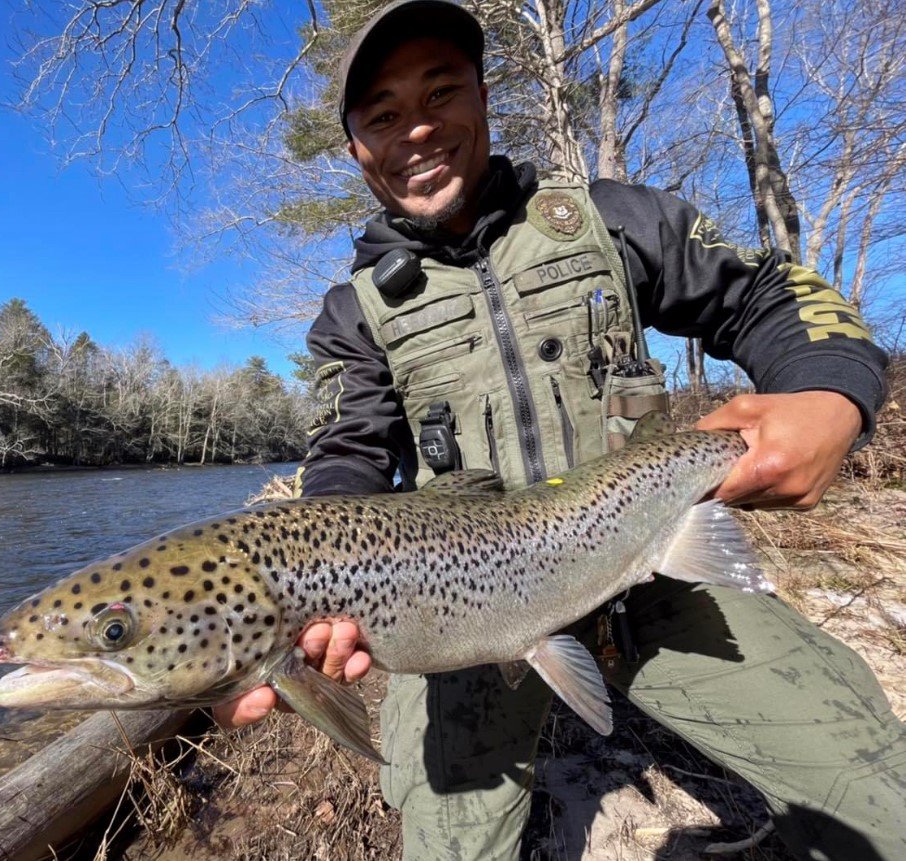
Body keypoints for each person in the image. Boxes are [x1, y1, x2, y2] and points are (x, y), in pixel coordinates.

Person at [216, 1, 905, 858]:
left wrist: (830, 394)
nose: (418, 131)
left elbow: (768, 295)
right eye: (385, 116)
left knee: (882, 809)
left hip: (654, 568)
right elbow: (346, 460)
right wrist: (314, 601)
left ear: (484, 97)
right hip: (465, 615)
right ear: (357, 148)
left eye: (441, 93)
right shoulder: (352, 316)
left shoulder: (613, 219)